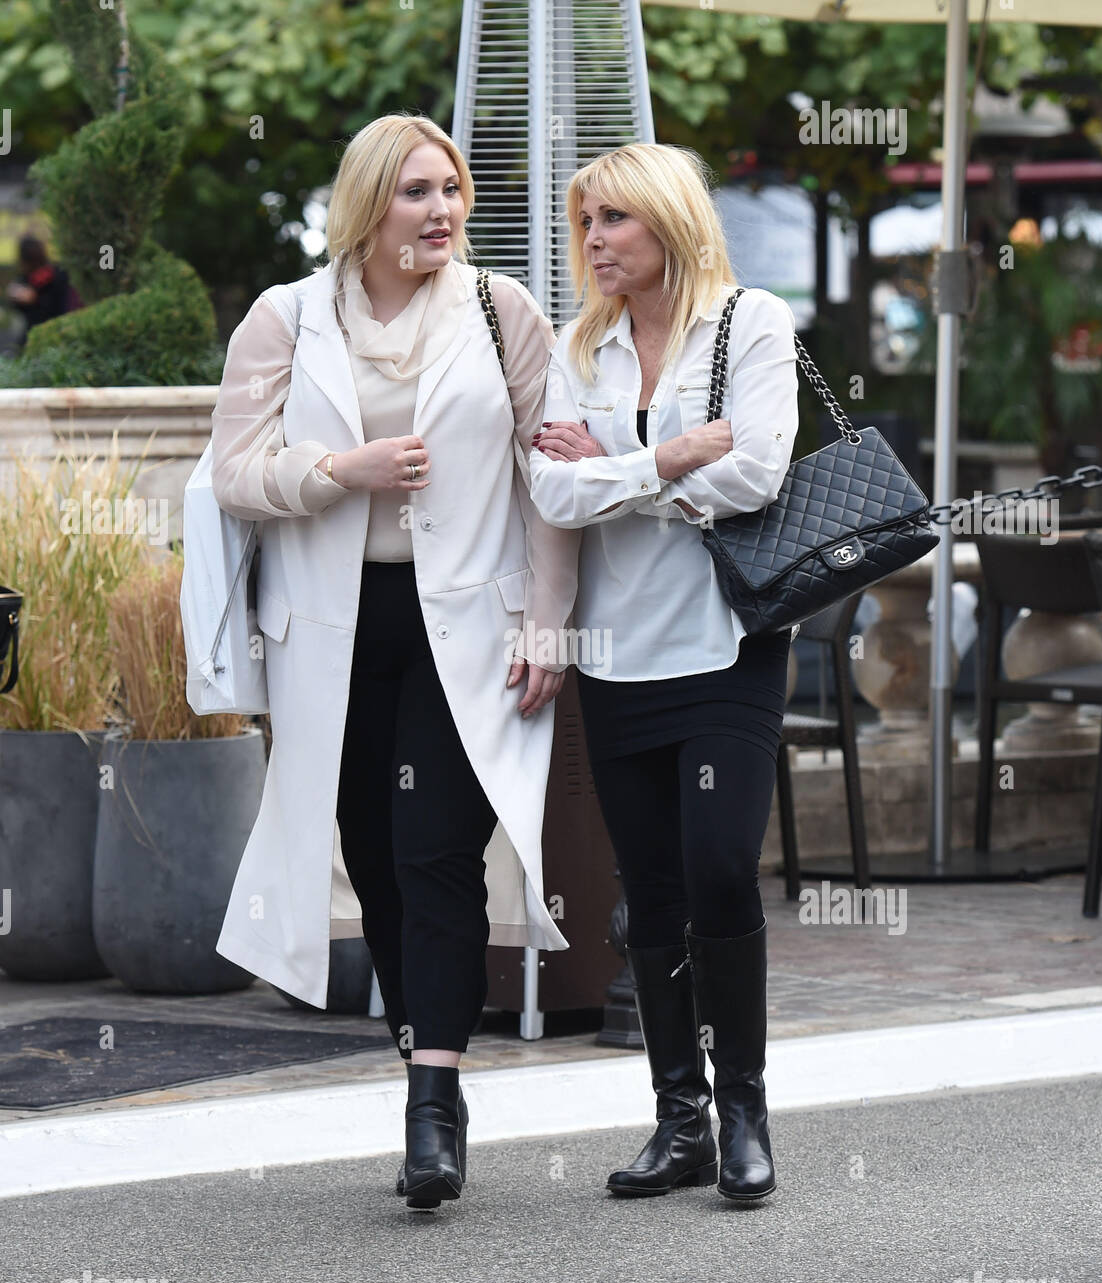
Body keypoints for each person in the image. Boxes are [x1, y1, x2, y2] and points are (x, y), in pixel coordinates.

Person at [209, 114, 579, 1210]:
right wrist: (339, 468)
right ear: (370, 206)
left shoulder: (499, 309)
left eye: (453, 191)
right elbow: (234, 471)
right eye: (419, 192)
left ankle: (433, 1097)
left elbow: (547, 476)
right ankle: (423, 1053)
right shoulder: (286, 318)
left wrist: (549, 618)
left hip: (464, 624)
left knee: (435, 849)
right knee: (370, 848)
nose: (444, 212)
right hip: (335, 627)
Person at [529, 143, 799, 1204]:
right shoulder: (575, 346)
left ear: (671, 222)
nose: (594, 241)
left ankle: (744, 1109)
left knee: (722, 868)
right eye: (585, 222)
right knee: (650, 897)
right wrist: (670, 462)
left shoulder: (751, 324)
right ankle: (678, 1117)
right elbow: (551, 500)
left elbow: (760, 468)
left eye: (614, 221)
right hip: (619, 654)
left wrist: (613, 476)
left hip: (727, 642)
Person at [5, 235, 76, 347]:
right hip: (36, 333)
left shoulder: (55, 274)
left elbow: (58, 304)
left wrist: (35, 299)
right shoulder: (25, 279)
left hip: (55, 331)